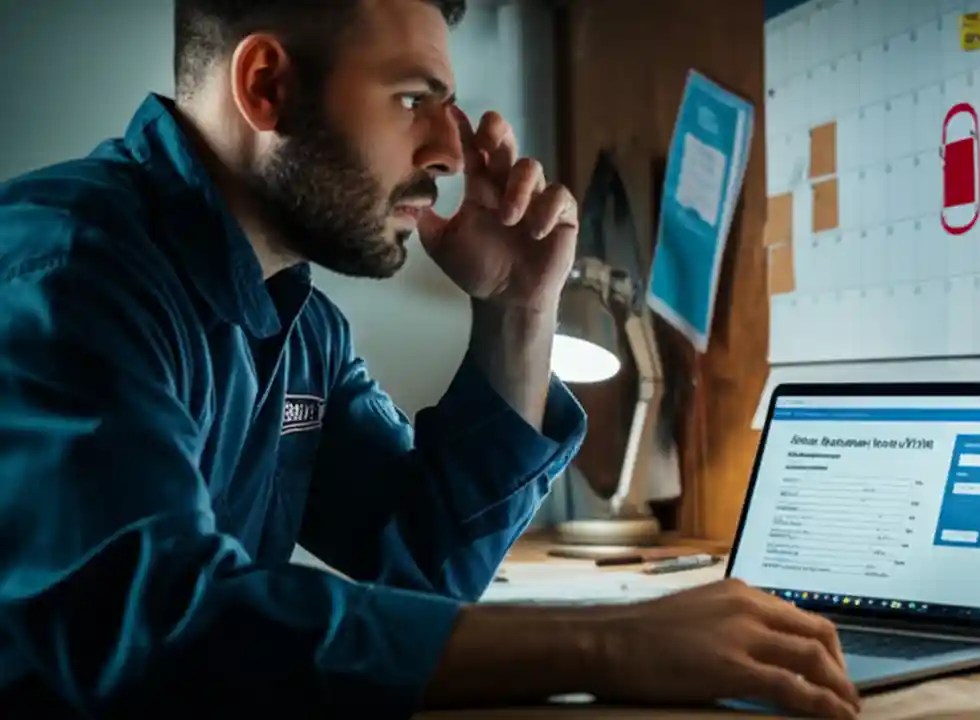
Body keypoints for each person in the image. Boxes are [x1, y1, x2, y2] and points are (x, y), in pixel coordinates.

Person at [0, 0, 860, 718]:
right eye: (413, 98)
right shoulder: (67, 276)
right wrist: (611, 642)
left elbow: (425, 563)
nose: (449, 151)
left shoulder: (302, 327)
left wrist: (518, 312)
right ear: (267, 86)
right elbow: (153, 628)